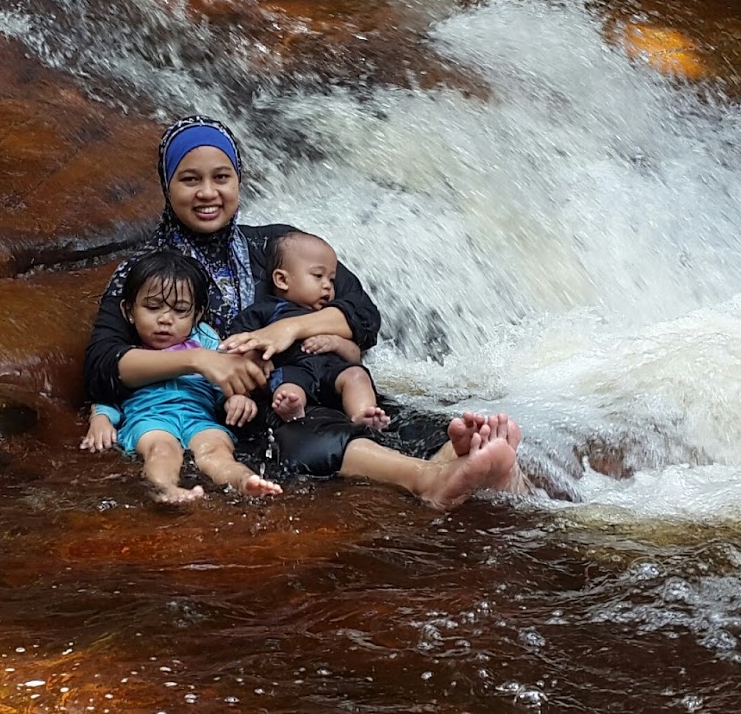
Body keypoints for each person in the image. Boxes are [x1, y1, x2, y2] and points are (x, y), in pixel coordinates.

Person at [82, 115, 527, 509]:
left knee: (405, 420)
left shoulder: (274, 245)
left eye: (221, 177)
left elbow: (361, 312)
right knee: (305, 437)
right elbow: (102, 367)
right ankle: (430, 481)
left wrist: (290, 327)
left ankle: (496, 477)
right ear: (167, 185)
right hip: (246, 412)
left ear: (239, 181)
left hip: (323, 380)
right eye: (190, 180)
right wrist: (201, 360)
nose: (208, 193)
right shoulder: (146, 272)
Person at [79, 250, 284, 503]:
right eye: (153, 307)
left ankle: (244, 481)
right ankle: (165, 489)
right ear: (129, 311)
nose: (165, 319)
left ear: (197, 315)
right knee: (162, 450)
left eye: (180, 310)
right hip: (150, 418)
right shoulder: (130, 349)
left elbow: (223, 384)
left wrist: (236, 400)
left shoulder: (206, 342)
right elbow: (107, 388)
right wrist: (100, 418)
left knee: (217, 450)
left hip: (199, 418)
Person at [230, 230, 388, 429]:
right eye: (318, 276)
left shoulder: (331, 316)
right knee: (288, 391)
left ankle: (364, 415)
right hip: (294, 371)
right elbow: (239, 339)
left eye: (331, 280)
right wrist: (256, 356)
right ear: (282, 280)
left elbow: (355, 355)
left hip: (332, 371)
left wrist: (336, 343)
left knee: (357, 375)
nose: (328, 286)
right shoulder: (265, 310)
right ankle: (293, 411)